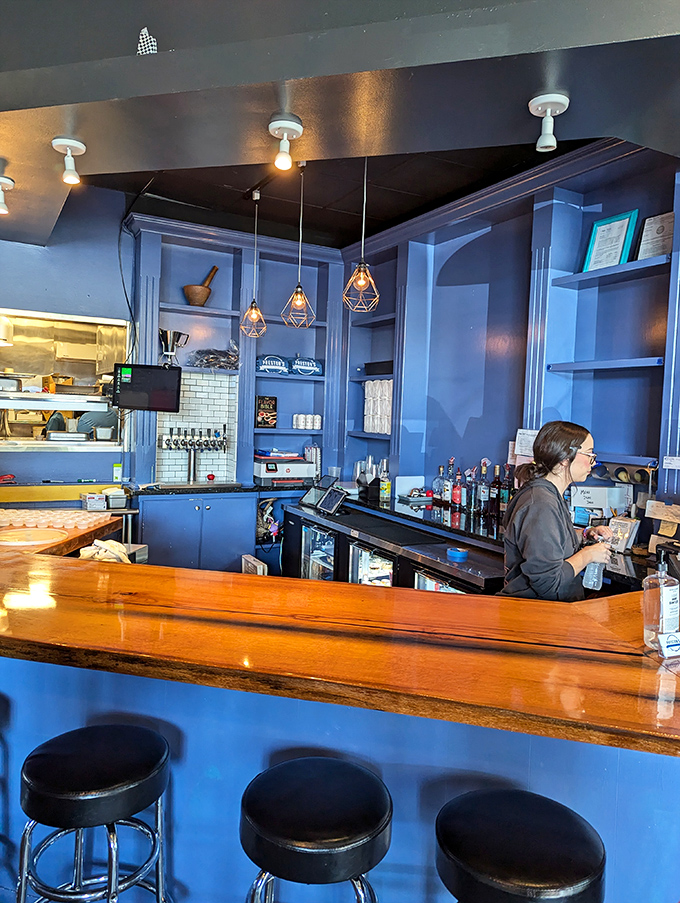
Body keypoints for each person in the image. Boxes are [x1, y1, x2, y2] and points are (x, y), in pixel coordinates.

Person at [499, 420, 613, 601]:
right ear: (564, 459)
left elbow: (550, 540)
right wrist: (588, 555)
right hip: (535, 616)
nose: (593, 462)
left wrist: (585, 534)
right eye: (590, 454)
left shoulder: (548, 495)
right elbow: (548, 583)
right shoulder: (540, 504)